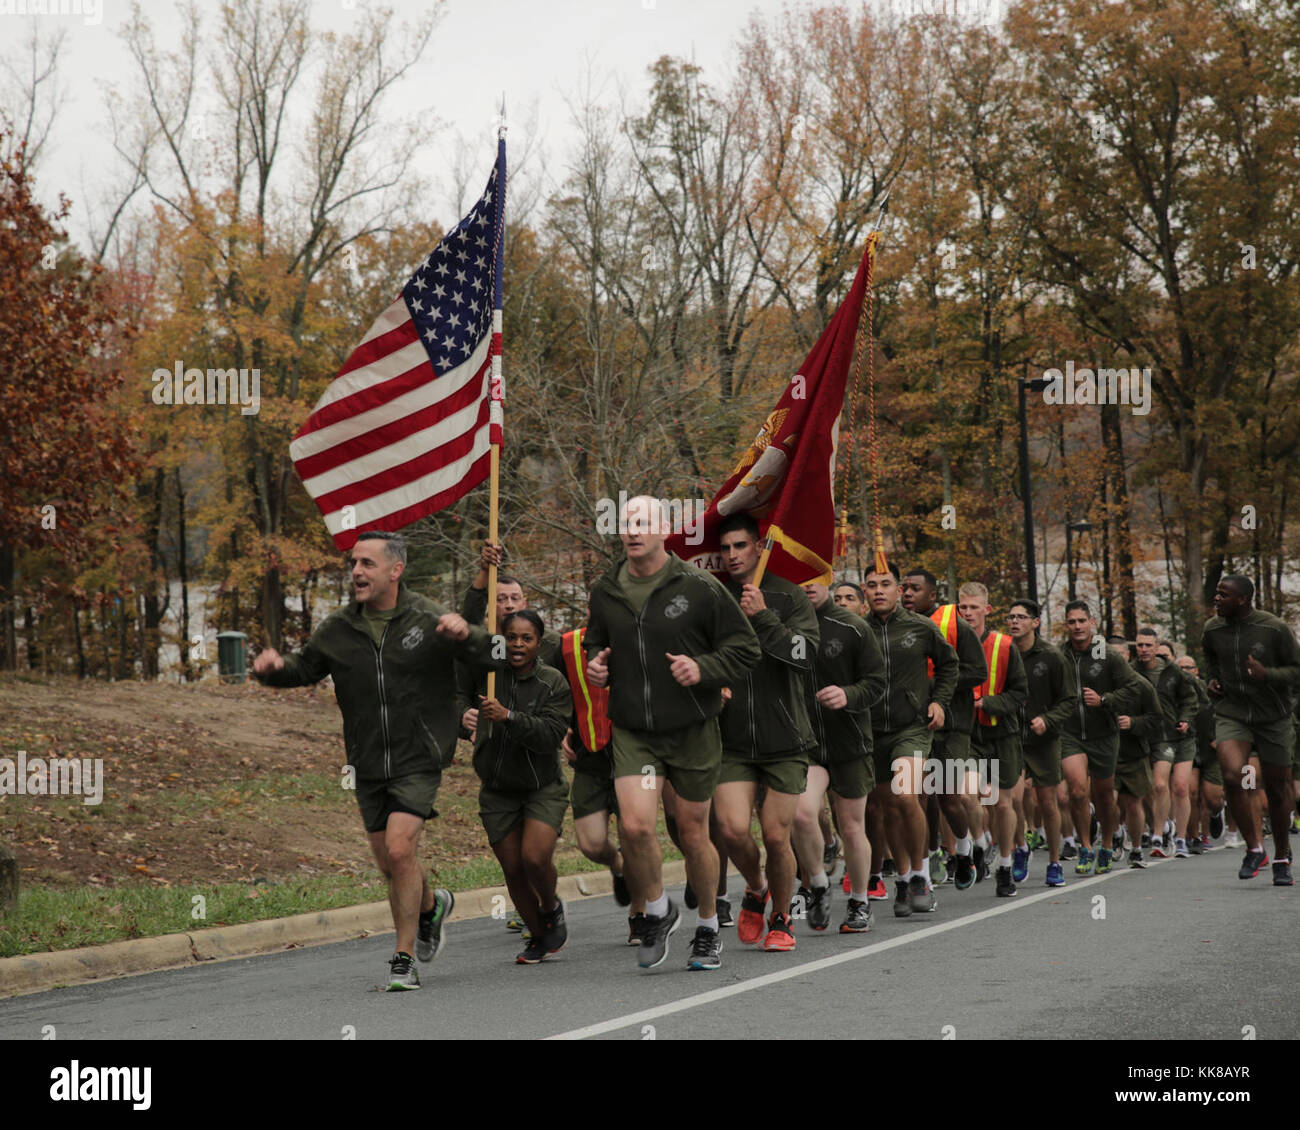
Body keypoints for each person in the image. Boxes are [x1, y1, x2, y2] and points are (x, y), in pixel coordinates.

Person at [252, 530, 491, 991]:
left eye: (367, 564)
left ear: (395, 571)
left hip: (419, 754)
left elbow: (490, 655)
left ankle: (402, 958)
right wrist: (274, 671)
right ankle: (431, 908)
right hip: (365, 760)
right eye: (354, 564)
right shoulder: (340, 628)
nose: (357, 572)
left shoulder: (428, 617)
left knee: (402, 850)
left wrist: (468, 634)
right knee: (389, 863)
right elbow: (305, 669)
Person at [585, 495, 761, 971]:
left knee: (691, 832)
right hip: (635, 731)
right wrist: (596, 665)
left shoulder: (699, 586)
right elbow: (594, 642)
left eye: (642, 522)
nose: (632, 530)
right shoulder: (606, 590)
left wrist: (702, 668)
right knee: (636, 825)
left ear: (665, 530)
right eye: (625, 522)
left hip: (691, 730)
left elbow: (745, 649)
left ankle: (706, 925)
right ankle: (659, 910)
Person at [712, 513, 820, 953]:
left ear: (759, 546)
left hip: (785, 736)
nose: (733, 555)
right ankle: (756, 888)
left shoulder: (788, 596)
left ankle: (781, 917)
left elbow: (806, 654)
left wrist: (764, 618)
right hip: (732, 737)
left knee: (777, 835)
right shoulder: (714, 596)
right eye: (726, 548)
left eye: (741, 546)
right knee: (734, 830)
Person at [462, 610, 572, 963]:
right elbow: (453, 695)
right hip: (497, 788)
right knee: (512, 867)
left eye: (527, 638)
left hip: (542, 785)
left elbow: (550, 736)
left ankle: (551, 906)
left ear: (539, 642)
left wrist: (508, 717)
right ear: (502, 639)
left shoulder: (553, 682)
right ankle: (538, 936)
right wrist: (463, 718)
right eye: (512, 637)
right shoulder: (489, 673)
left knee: (534, 858)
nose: (518, 645)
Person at [862, 562, 959, 916]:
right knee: (887, 807)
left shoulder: (920, 628)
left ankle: (921, 875)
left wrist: (939, 701)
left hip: (911, 727)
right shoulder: (857, 630)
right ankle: (902, 880)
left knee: (906, 795)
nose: (878, 591)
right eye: (871, 584)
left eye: (885, 584)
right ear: (864, 591)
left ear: (898, 589)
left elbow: (950, 665)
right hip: (871, 730)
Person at [796, 578, 886, 933]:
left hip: (849, 741)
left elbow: (876, 681)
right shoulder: (788, 625)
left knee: (851, 827)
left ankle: (860, 901)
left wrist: (848, 694)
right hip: (807, 742)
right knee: (803, 816)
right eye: (800, 582)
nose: (808, 588)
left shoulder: (853, 627)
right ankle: (818, 884)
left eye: (814, 581)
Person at [1201, 574, 1300, 884]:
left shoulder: (1273, 628)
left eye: (1223, 595)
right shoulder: (1212, 629)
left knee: (1277, 787)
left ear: (1243, 599)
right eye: (1217, 593)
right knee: (1232, 774)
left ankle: (1282, 855)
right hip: (1234, 712)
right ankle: (1255, 848)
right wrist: (1213, 681)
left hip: (1273, 716)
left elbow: (1297, 670)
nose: (1216, 599)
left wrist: (1266, 674)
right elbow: (1211, 660)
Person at [901, 569, 988, 889]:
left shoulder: (955, 624)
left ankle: (964, 850)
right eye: (904, 588)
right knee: (917, 795)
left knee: (949, 796)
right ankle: (926, 861)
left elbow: (977, 672)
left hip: (952, 723)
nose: (907, 593)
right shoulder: (893, 626)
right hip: (909, 726)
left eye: (915, 589)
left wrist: (930, 685)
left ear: (932, 595)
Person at [557, 624, 640, 939]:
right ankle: (617, 864)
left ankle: (641, 914)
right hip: (589, 757)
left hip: (631, 757)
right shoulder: (566, 644)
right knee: (591, 844)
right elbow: (555, 689)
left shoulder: (640, 635)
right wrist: (564, 725)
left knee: (633, 835)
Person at [1058, 600, 1144, 875]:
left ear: (1091, 623)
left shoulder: (1107, 655)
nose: (1077, 626)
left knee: (1105, 795)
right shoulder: (1059, 655)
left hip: (1104, 734)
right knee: (1078, 790)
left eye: (1082, 621)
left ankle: (1106, 844)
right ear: (1066, 625)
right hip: (1070, 733)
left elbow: (1133, 688)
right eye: (1072, 622)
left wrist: (1105, 699)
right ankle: (1085, 847)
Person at [958, 583, 1029, 897]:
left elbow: (1020, 693)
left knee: (1003, 803)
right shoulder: (950, 644)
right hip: (967, 734)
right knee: (965, 794)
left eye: (974, 607)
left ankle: (1004, 864)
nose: (968, 613)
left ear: (986, 610)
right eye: (963, 608)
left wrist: (987, 703)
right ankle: (980, 841)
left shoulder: (1003, 644)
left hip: (1002, 734)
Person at [1008, 598, 1076, 886]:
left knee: (1048, 803)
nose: (1014, 622)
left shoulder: (1052, 656)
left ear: (1035, 622)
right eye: (1011, 617)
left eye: (1021, 617)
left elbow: (1069, 700)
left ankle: (1054, 862)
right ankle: (1021, 847)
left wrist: (1047, 720)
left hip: (1044, 738)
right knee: (1009, 799)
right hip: (1011, 737)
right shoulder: (1003, 652)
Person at [1132, 627, 1199, 858]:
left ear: (1156, 645)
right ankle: (1159, 835)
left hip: (1183, 735)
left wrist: (1186, 719)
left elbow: (1190, 697)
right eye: (1139, 645)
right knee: (1158, 786)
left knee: (1181, 787)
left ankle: (1180, 839)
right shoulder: (1131, 672)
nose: (1143, 649)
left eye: (1148, 645)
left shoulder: (1173, 671)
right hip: (1157, 736)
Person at [1114, 670, 1165, 868]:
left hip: (1133, 751)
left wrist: (1134, 722)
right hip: (1105, 751)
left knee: (1133, 802)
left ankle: (1136, 849)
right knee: (1106, 799)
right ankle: (1113, 838)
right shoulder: (1096, 681)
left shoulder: (1141, 685)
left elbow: (1156, 717)